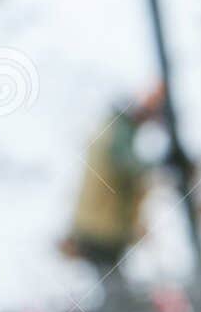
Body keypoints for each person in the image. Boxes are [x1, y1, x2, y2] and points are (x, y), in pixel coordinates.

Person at [62, 88, 164, 288]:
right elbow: (129, 166)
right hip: (102, 229)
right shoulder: (119, 133)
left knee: (113, 284)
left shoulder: (111, 127)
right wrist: (158, 167)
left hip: (97, 225)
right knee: (115, 288)